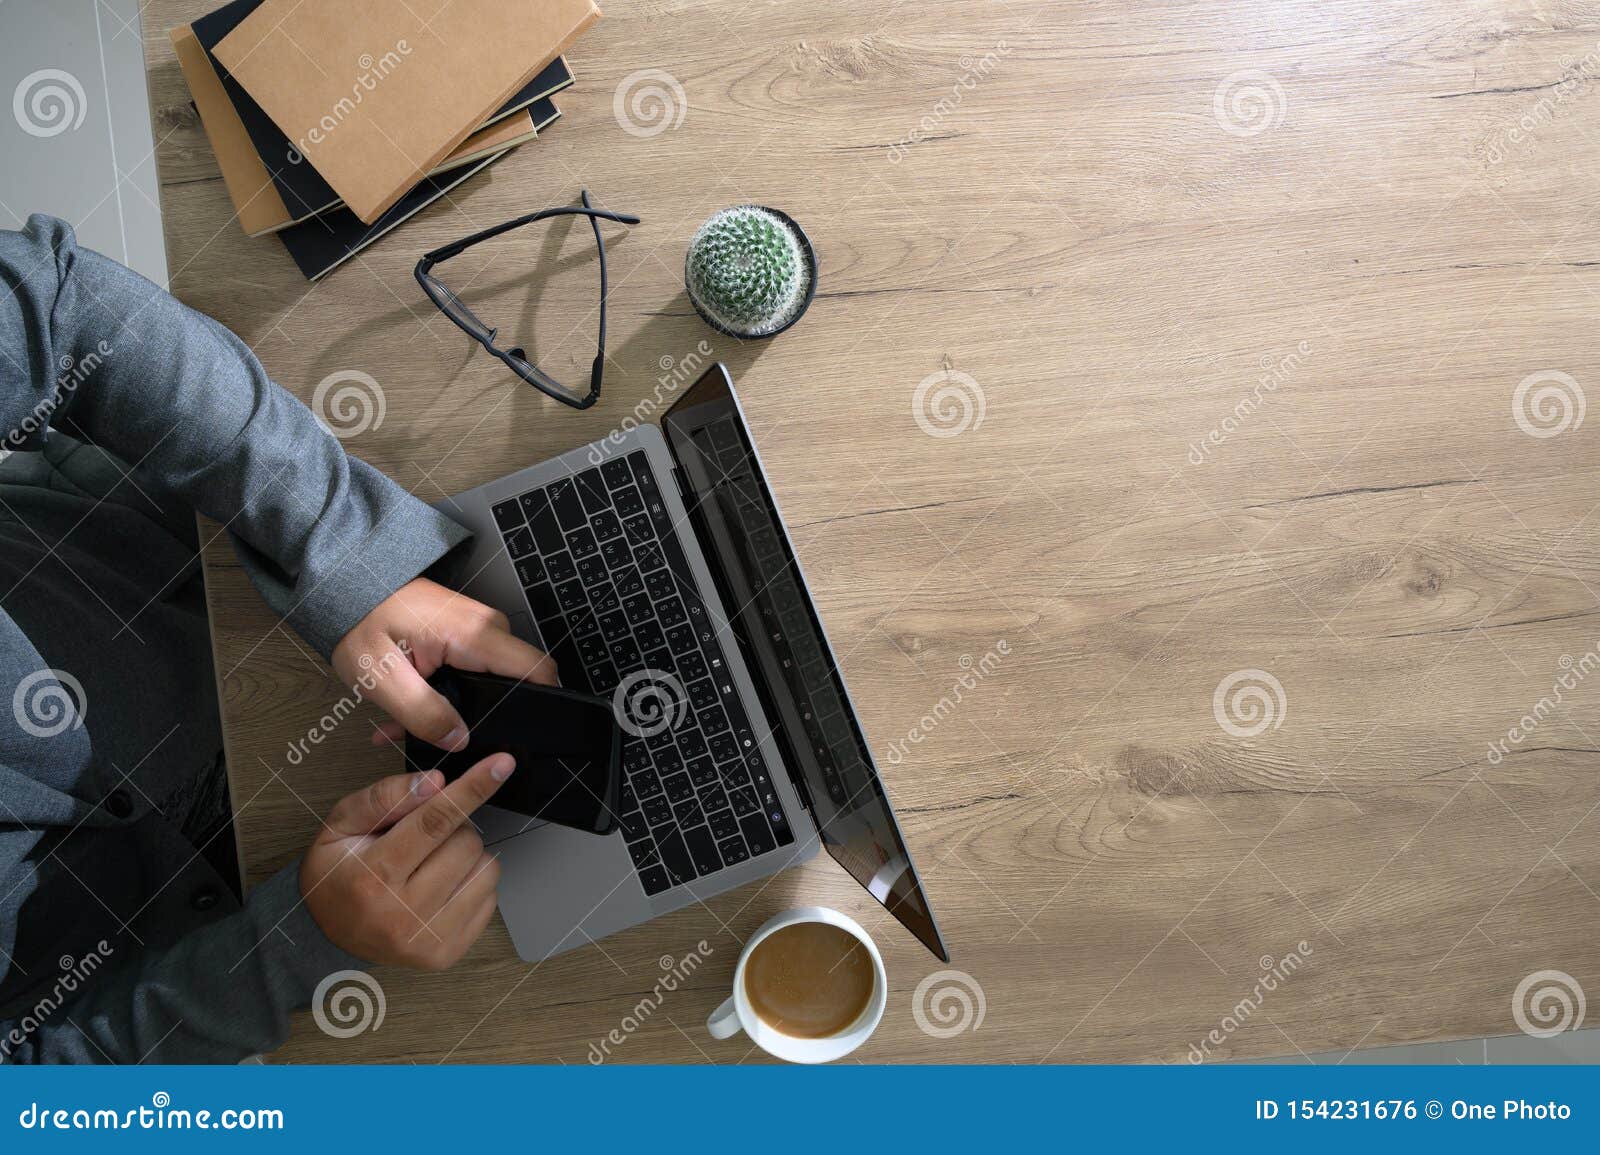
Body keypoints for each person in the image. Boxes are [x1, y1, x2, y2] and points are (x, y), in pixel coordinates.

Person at [0, 215, 557, 1063]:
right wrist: (295, 947)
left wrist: (340, 550)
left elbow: (61, 307)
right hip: (223, 976)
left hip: (223, 592)